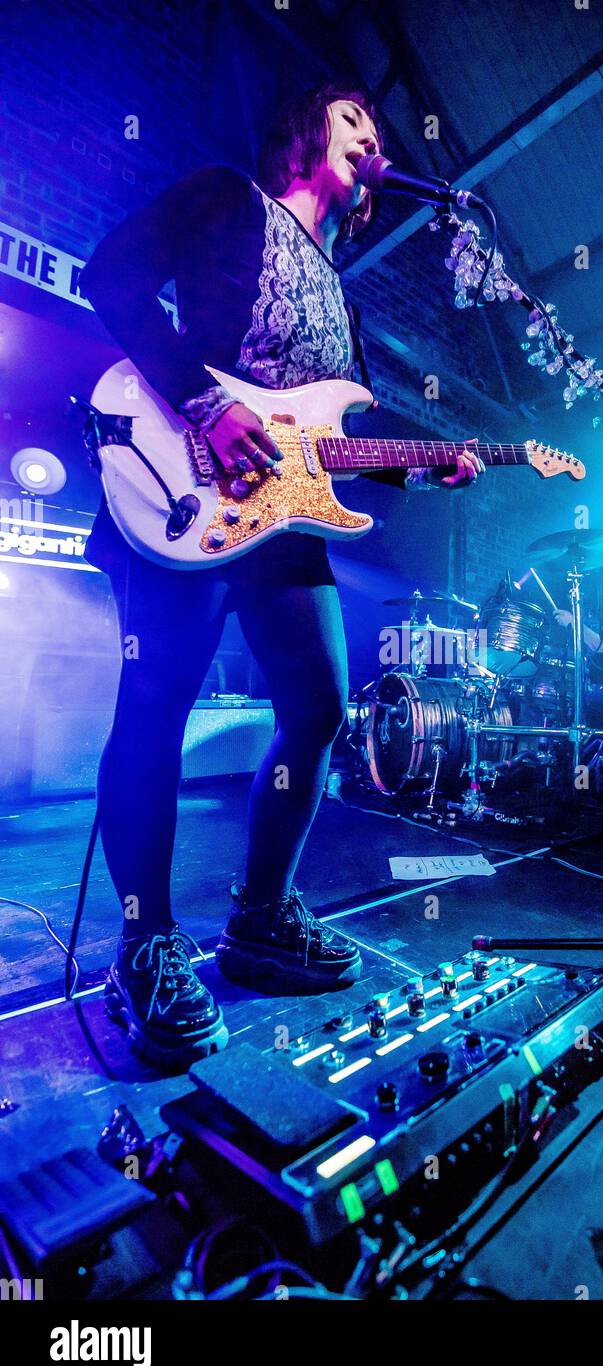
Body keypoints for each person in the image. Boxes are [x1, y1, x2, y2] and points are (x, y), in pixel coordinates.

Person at [80, 83, 484, 1067]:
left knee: (318, 712)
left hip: (285, 516)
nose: (371, 139)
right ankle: (145, 940)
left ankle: (260, 919)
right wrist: (200, 404)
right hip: (186, 479)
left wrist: (418, 460)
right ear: (305, 134)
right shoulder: (229, 198)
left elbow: (330, 440)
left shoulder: (342, 297)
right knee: (157, 706)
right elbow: (112, 277)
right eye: (354, 120)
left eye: (379, 134)